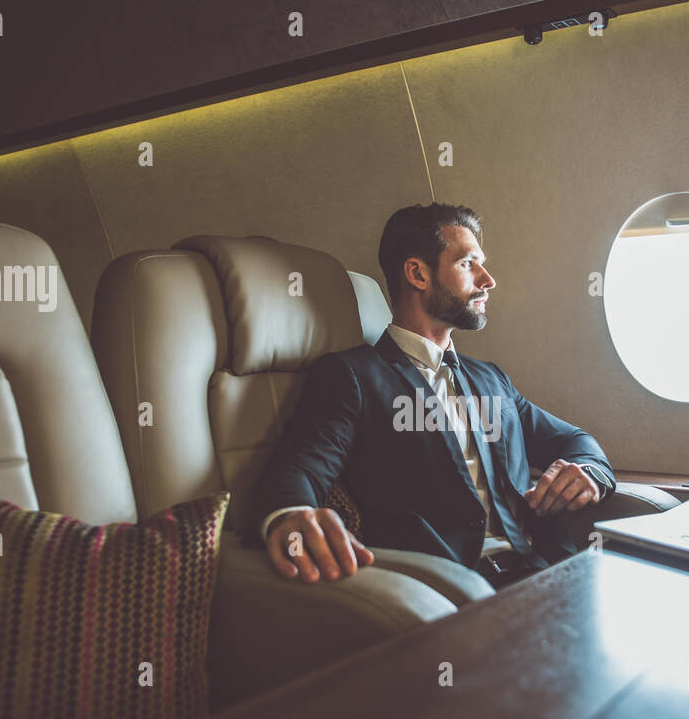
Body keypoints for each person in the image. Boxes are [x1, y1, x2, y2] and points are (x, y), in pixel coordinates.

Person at [249, 203, 616, 587]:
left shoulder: (493, 379)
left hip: (549, 571)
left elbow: (576, 441)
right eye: (468, 264)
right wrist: (290, 516)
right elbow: (299, 469)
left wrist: (588, 472)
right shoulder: (352, 376)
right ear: (418, 274)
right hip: (445, 589)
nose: (488, 279)